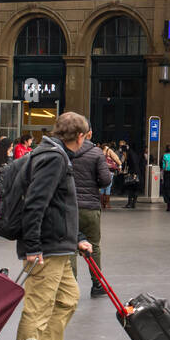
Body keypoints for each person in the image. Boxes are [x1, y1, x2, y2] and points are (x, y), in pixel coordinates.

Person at [6, 111, 94, 340]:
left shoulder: (52, 153)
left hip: (60, 246)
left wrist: (77, 237)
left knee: (68, 299)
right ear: (80, 136)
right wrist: (32, 247)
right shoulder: (54, 159)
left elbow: (59, 206)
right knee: (37, 312)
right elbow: (35, 204)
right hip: (46, 249)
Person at [70, 127, 112, 297]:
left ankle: (71, 287)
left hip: (69, 207)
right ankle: (97, 285)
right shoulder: (96, 153)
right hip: (90, 207)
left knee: (70, 247)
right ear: (89, 133)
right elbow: (105, 180)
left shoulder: (64, 153)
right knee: (93, 246)